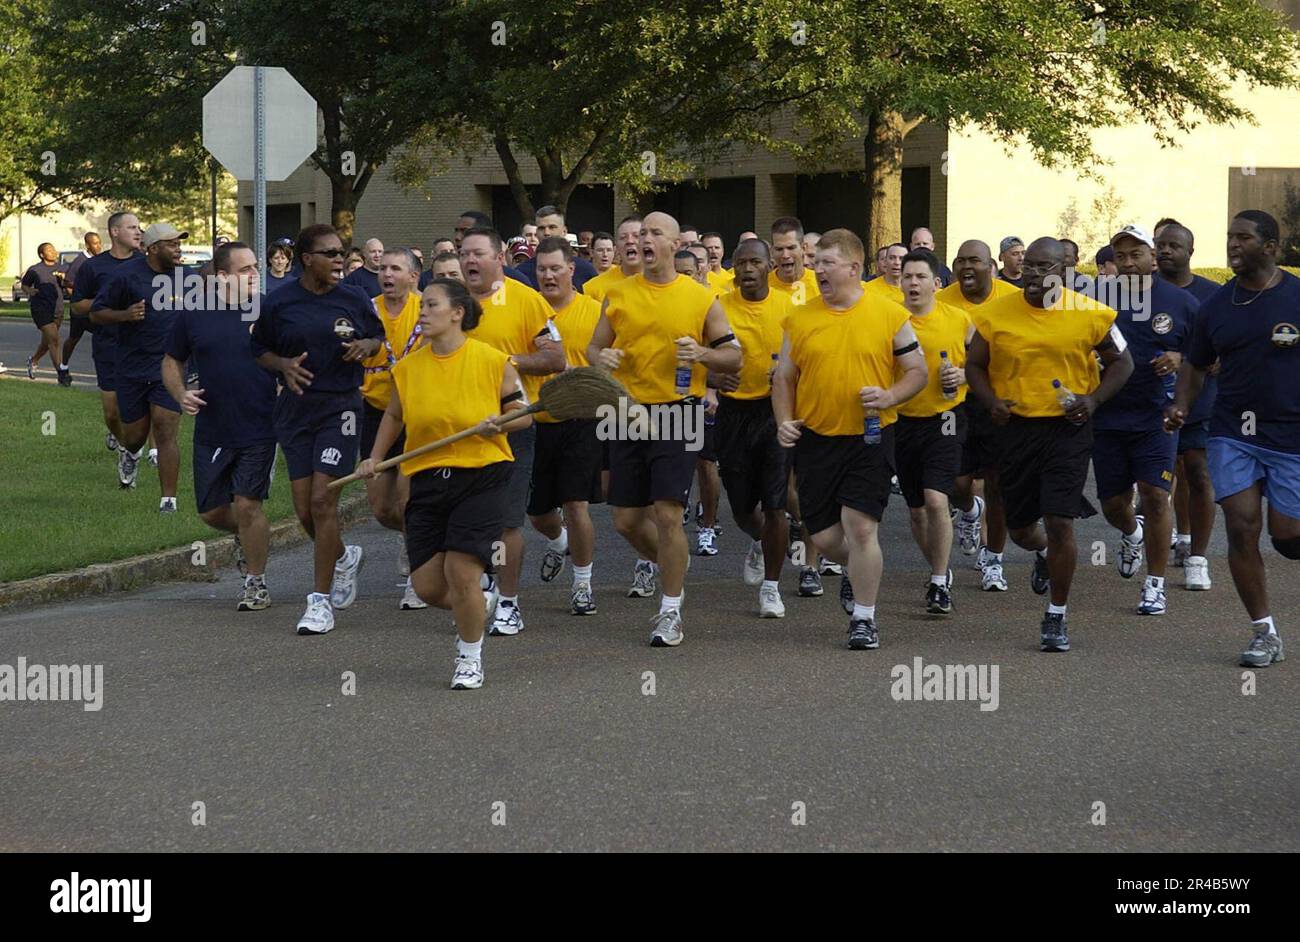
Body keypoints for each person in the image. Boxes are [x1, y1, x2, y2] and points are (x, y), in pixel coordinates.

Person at [358, 279, 531, 689]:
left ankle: (469, 658)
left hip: (483, 473)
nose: (423, 312)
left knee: (461, 567)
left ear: (457, 313)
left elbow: (523, 413)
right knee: (429, 585)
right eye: (422, 307)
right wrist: (377, 459)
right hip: (426, 477)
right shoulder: (409, 367)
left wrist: (499, 423)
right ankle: (476, 603)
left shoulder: (492, 360)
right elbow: (395, 417)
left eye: (431, 305)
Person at [966, 237, 1134, 652]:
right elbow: (974, 364)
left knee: (1060, 521)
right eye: (1030, 266)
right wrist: (991, 402)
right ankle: (1039, 552)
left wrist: (1093, 401)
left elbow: (1123, 363)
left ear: (1065, 271)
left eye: (1045, 267)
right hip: (1015, 430)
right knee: (1022, 529)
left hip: (1068, 430)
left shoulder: (1091, 313)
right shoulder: (994, 314)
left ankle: (1056, 615)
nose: (1034, 274)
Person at [587, 211, 741, 646]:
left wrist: (703, 355)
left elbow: (734, 358)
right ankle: (676, 566)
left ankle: (670, 610)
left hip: (680, 412)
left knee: (669, 515)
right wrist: (602, 359)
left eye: (655, 233)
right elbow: (594, 346)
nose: (643, 238)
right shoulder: (617, 295)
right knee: (625, 520)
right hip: (626, 412)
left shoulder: (700, 298)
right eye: (640, 233)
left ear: (675, 245)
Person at [772, 229, 928, 650]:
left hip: (871, 437)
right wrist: (784, 420)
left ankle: (864, 618)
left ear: (854, 268)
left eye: (827, 262)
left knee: (860, 529)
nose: (817, 269)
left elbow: (917, 371)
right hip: (817, 439)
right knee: (822, 537)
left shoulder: (888, 314)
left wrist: (889, 395)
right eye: (815, 262)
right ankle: (861, 570)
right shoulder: (800, 318)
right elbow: (784, 377)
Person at [1166, 210, 1299, 669]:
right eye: (1229, 237)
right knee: (1242, 527)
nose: (1233, 244)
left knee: (1288, 539)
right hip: (1233, 434)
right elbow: (1194, 364)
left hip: (1292, 436)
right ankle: (1264, 632)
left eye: (1243, 237)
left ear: (1271, 247)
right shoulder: (1217, 307)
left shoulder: (1297, 296)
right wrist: (1181, 405)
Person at [251, 223, 383, 635]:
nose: (339, 259)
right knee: (305, 509)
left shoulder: (354, 297)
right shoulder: (280, 300)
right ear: (307, 259)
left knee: (324, 502)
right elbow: (259, 349)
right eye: (330, 253)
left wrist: (368, 346)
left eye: (342, 253)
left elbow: (378, 336)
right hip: (295, 410)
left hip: (341, 407)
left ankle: (319, 602)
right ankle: (343, 556)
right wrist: (283, 365)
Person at [460, 227, 566, 636]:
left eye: (478, 254)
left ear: (499, 258)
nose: (470, 261)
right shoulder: (453, 302)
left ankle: (508, 602)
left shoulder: (525, 300)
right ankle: (480, 583)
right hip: (464, 427)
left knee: (507, 520)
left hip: (512, 424)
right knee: (469, 515)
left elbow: (555, 357)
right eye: (464, 254)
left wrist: (505, 363)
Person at [161, 242, 276, 611]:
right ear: (223, 277)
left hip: (261, 424)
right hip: (213, 425)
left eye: (256, 267)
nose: (254, 274)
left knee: (246, 505)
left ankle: (255, 583)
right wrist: (180, 394)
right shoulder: (194, 314)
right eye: (245, 270)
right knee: (211, 512)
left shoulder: (270, 312)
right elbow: (171, 361)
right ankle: (249, 535)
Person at [1093, 225, 1198, 617]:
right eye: (1121, 256)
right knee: (1113, 505)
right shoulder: (1097, 300)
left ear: (1153, 258)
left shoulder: (1182, 302)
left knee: (1155, 496)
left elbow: (1212, 357)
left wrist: (1181, 359)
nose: (1128, 261)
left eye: (1136, 253)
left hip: (1158, 417)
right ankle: (1130, 533)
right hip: (1108, 415)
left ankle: (1154, 585)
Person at [713, 238, 793, 615]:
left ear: (769, 265)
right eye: (741, 263)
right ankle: (759, 541)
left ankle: (772, 589)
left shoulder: (788, 308)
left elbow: (807, 358)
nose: (747, 270)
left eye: (755, 263)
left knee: (776, 504)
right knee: (743, 508)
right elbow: (697, 357)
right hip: (732, 414)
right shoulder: (717, 308)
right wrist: (713, 377)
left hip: (773, 412)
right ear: (732, 267)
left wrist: (789, 376)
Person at [894, 249, 975, 614]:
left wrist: (964, 375)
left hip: (945, 416)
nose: (912, 283)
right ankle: (937, 568)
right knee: (916, 511)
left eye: (920, 277)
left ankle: (940, 583)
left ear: (936, 283)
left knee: (936, 499)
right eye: (906, 277)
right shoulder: (890, 320)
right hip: (902, 421)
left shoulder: (958, 319)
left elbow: (984, 362)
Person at [936, 239, 1020, 591]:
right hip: (954, 404)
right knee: (955, 483)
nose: (966, 267)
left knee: (998, 485)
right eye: (960, 261)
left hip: (995, 403)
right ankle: (970, 511)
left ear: (991, 266)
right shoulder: (941, 301)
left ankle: (994, 560)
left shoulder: (1010, 299)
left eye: (975, 261)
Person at [90, 224, 192, 510]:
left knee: (165, 427)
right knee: (134, 436)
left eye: (179, 244)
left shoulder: (188, 278)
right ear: (153, 248)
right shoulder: (126, 277)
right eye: (172, 244)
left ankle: (168, 500)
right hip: (132, 367)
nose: (178, 249)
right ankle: (130, 454)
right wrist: (124, 315)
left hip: (169, 367)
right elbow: (97, 313)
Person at [529, 237, 605, 614]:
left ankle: (582, 584)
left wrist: (580, 375)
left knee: (576, 503)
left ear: (571, 269)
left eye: (555, 268)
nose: (547, 275)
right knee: (536, 512)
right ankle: (559, 542)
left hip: (580, 419)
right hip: (534, 420)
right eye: (541, 269)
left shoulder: (593, 311)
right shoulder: (529, 309)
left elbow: (608, 366)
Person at [359, 248, 426, 610]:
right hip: (375, 412)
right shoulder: (366, 309)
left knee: (409, 499)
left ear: (414, 276)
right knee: (383, 508)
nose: (387, 274)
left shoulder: (427, 311)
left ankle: (419, 576)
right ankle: (415, 536)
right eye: (383, 268)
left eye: (395, 269)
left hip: (416, 415)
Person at [1155, 222, 1221, 588]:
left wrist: (1197, 358)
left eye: (1173, 245)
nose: (1166, 251)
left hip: (1198, 400)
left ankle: (1197, 556)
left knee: (1196, 471)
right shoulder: (1140, 292)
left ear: (1190, 252)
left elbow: (1225, 345)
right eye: (1160, 245)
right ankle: (1171, 540)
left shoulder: (1212, 295)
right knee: (1158, 479)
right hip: (1150, 404)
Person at [72, 212, 142, 469]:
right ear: (114, 231)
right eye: (132, 227)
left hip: (142, 346)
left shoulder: (146, 263)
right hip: (108, 345)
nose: (138, 232)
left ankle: (137, 452)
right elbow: (78, 306)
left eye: (139, 227)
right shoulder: (93, 267)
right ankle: (124, 443)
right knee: (112, 413)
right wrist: (110, 302)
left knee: (147, 407)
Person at [514, 205, 599, 292]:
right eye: (541, 228)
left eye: (552, 227)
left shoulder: (585, 270)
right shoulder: (522, 273)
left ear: (564, 231)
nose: (546, 233)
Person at [21, 243, 67, 384]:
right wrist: (30, 291)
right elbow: (24, 285)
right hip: (41, 309)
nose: (53, 252)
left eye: (54, 249)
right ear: (42, 254)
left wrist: (64, 279)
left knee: (47, 342)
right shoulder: (35, 270)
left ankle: (33, 360)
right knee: (55, 340)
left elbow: (70, 286)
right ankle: (61, 374)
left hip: (57, 308)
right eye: (49, 250)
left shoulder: (62, 268)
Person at [60, 231, 102, 373]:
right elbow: (68, 283)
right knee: (73, 339)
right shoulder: (80, 262)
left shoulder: (100, 260)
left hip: (95, 308)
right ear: (87, 245)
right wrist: (77, 301)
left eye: (99, 243)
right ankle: (63, 367)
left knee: (105, 334)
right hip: (81, 310)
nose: (99, 246)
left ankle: (104, 368)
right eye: (95, 244)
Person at [584, 215, 642, 303]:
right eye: (623, 237)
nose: (630, 241)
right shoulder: (592, 288)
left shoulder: (664, 283)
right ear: (617, 248)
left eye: (636, 236)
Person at [769, 216, 819, 303]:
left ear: (803, 248)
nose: (785, 255)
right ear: (772, 251)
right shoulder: (764, 287)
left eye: (791, 248)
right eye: (779, 249)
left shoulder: (820, 284)